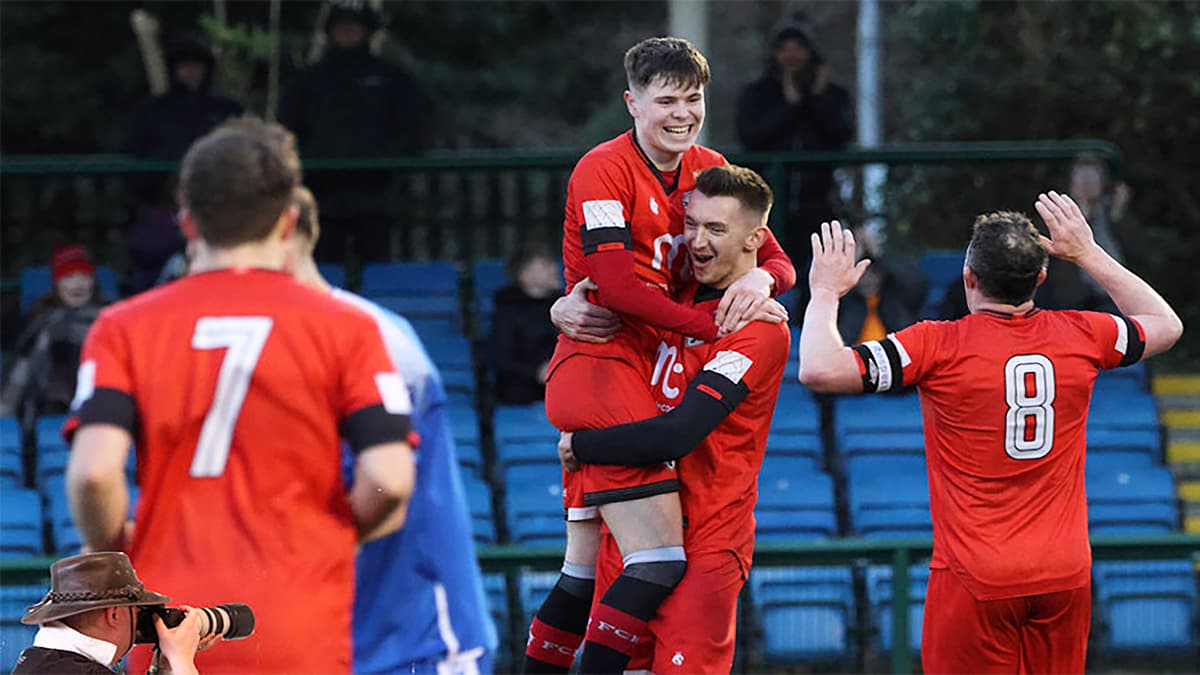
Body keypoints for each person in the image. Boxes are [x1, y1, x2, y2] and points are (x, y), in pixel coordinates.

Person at [65, 116, 416, 674]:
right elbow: (391, 478)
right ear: (289, 220)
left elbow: (93, 473)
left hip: (170, 624)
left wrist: (117, 546)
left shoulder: (122, 327)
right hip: (297, 622)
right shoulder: (347, 329)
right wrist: (336, 535)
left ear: (187, 220)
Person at [797, 192, 1183, 674]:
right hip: (1063, 572)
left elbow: (818, 369)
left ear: (968, 278)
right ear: (1040, 278)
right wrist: (1087, 253)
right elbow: (1165, 324)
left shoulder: (938, 345)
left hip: (976, 574)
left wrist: (825, 292)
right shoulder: (1082, 334)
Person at [524, 37, 795, 674]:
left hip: (637, 371)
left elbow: (774, 254)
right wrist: (705, 325)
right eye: (666, 100)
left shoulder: (709, 168)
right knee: (656, 559)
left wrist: (765, 278)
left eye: (692, 99)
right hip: (603, 363)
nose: (682, 113)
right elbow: (617, 289)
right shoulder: (602, 169)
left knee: (583, 570)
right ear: (633, 103)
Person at [557, 164, 790, 671]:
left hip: (708, 540)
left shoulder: (759, 330)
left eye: (716, 229)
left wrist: (581, 447)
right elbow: (599, 303)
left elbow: (679, 433)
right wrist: (562, 308)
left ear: (755, 239)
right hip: (637, 530)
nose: (697, 242)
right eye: (691, 225)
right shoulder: (666, 301)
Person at [285, 186, 496, 673]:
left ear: (284, 232)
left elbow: (388, 485)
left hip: (409, 642)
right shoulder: (259, 341)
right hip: (317, 641)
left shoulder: (371, 335)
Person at [278, 0, 433, 263]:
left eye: (354, 27)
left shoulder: (392, 79)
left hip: (376, 196)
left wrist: (385, 160)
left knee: (377, 266)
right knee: (323, 265)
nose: (347, 33)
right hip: (322, 196)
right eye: (341, 27)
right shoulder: (307, 82)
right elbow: (287, 130)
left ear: (367, 31)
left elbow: (415, 129)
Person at [122, 34, 244, 294]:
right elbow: (132, 160)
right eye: (185, 67)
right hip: (161, 213)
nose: (191, 74)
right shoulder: (151, 112)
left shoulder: (227, 110)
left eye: (197, 66)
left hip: (219, 207)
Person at [735, 18, 853, 269]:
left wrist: (818, 98)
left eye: (798, 49)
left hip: (819, 197)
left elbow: (841, 135)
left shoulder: (832, 94)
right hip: (769, 196)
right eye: (785, 49)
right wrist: (789, 106)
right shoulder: (758, 94)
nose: (792, 56)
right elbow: (751, 136)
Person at [14, 552, 220, 675]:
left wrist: (164, 668)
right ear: (114, 615)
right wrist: (182, 662)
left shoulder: (33, 661)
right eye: (137, 613)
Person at [3, 244, 106, 424]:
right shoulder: (41, 319)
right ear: (57, 283)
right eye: (69, 277)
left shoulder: (110, 316)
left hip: (101, 395)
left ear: (92, 282)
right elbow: (23, 364)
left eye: (84, 277)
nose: (78, 285)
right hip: (45, 400)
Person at [489, 243, 562, 405]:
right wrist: (537, 372)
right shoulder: (507, 309)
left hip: (563, 382)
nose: (554, 269)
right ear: (525, 275)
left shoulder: (564, 306)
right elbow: (502, 358)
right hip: (521, 391)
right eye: (545, 265)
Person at [835, 225, 926, 346]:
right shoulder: (845, 301)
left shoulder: (897, 297)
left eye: (873, 273)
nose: (867, 280)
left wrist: (877, 253)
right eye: (862, 274)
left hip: (896, 356)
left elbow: (915, 282)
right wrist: (851, 259)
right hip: (853, 356)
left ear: (883, 275)